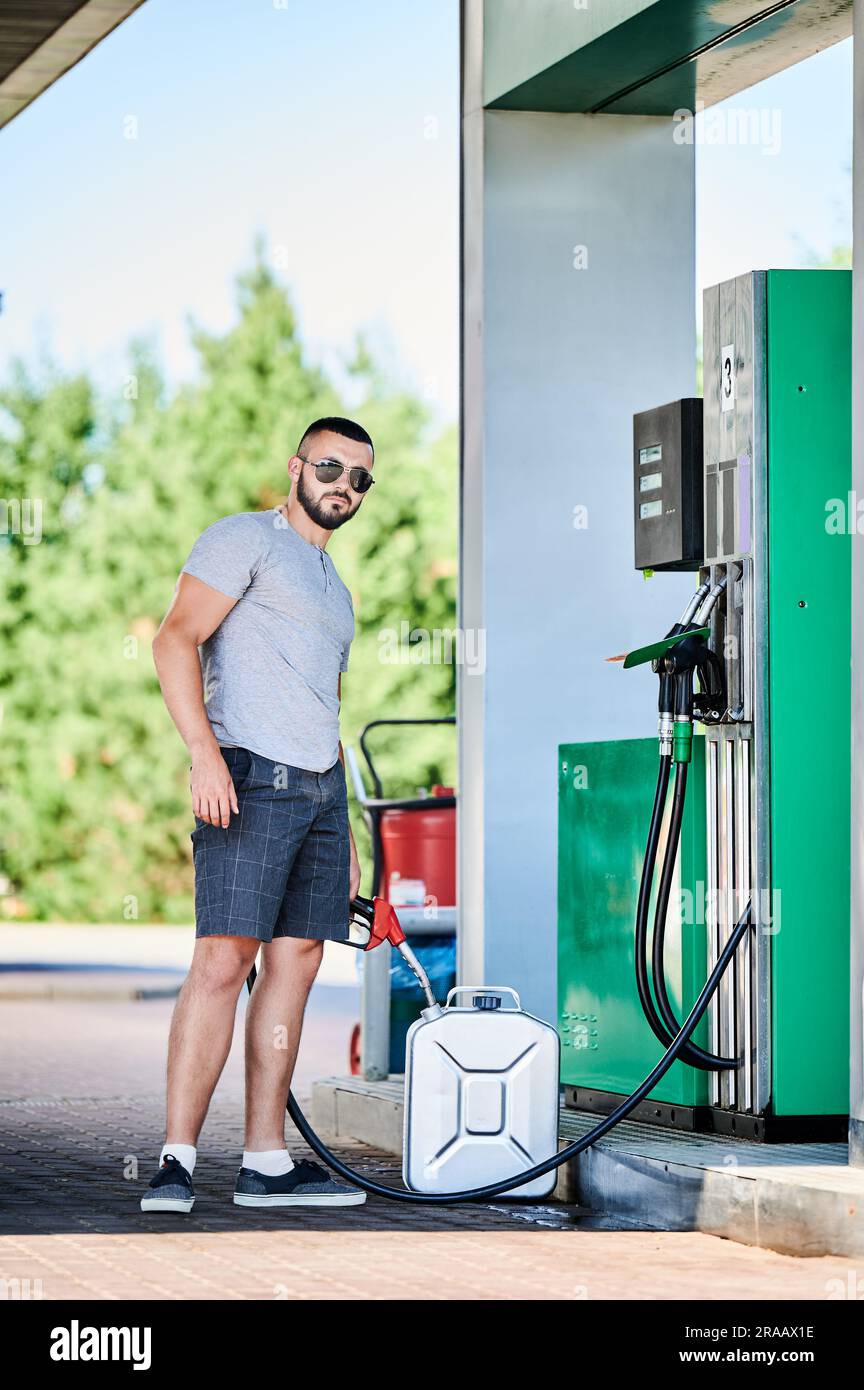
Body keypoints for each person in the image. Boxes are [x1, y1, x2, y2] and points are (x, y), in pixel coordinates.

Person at [141, 416, 375, 1212]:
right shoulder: (243, 539)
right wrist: (204, 755)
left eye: (359, 478)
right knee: (221, 959)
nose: (342, 484)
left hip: (317, 792)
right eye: (331, 466)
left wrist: (343, 833)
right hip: (247, 777)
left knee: (299, 959)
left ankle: (265, 1161)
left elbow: (326, 709)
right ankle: (174, 1161)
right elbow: (176, 639)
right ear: (297, 465)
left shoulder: (334, 590)